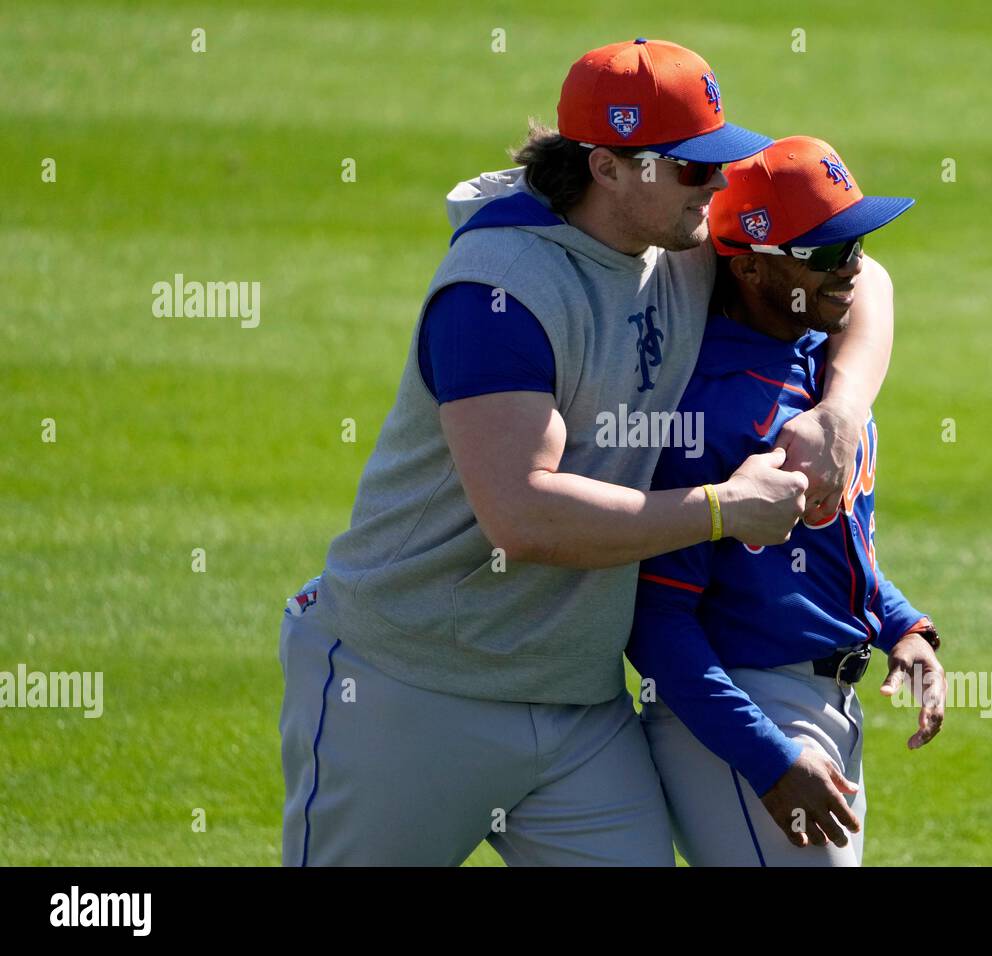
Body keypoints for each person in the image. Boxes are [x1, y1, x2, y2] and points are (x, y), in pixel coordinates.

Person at [279, 42, 896, 866]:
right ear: (608, 167)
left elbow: (864, 275)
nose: (717, 187)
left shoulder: (678, 237)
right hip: (412, 687)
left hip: (577, 704)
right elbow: (524, 516)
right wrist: (721, 509)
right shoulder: (497, 297)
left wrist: (840, 410)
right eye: (691, 169)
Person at [626, 136, 946, 866]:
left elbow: (818, 549)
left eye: (855, 241)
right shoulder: (707, 407)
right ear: (750, 268)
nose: (853, 267)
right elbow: (656, 619)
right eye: (826, 254)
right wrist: (766, 757)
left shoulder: (813, 353)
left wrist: (901, 626)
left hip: (823, 702)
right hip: (746, 711)